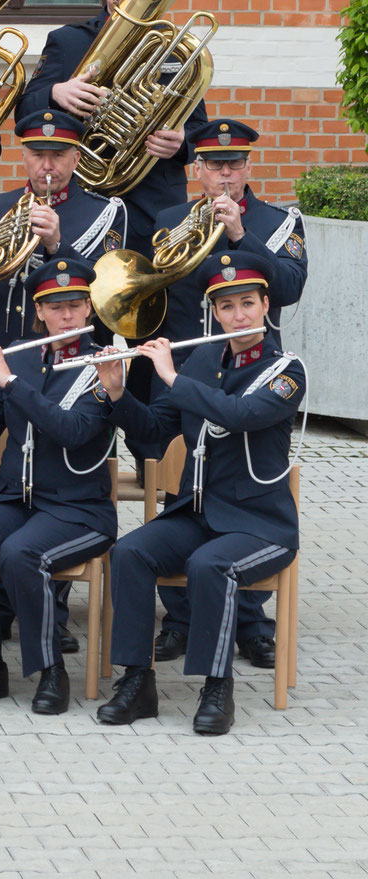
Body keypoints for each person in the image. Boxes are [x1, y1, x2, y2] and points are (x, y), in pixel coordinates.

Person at [95, 250, 303, 736]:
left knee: (209, 565)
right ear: (215, 312)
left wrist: (170, 376)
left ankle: (217, 687)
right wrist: (120, 393)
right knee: (129, 552)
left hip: (260, 523)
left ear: (265, 305)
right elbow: (154, 430)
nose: (239, 315)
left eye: (247, 303)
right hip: (199, 512)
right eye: (227, 306)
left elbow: (239, 416)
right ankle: (137, 681)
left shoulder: (286, 370)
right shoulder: (203, 360)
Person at [144, 119, 309, 668]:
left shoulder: (279, 223)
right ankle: (181, 617)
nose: (225, 174)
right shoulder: (171, 220)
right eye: (214, 165)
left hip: (251, 371)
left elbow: (290, 287)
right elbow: (155, 293)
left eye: (234, 164)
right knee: (186, 485)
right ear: (197, 169)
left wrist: (239, 235)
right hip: (191, 367)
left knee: (247, 489)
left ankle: (251, 621)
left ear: (247, 167)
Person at [0, 256, 117, 715]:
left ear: (89, 309)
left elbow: (72, 431)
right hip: (16, 497)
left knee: (21, 554)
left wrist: (11, 382)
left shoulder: (105, 364)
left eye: (75, 305)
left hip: (79, 508)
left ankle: (51, 670)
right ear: (39, 312)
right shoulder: (18, 355)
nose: (66, 316)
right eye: (55, 307)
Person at [23, 0, 207, 247]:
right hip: (81, 199)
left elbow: (199, 129)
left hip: (155, 201)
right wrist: (55, 93)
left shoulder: (174, 48)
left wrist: (181, 144)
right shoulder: (67, 41)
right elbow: (25, 110)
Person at [0, 108, 127, 360]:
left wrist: (57, 244)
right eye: (37, 155)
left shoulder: (104, 212)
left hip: (71, 353)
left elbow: (104, 291)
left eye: (58, 155)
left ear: (76, 159)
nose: (47, 165)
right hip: (2, 347)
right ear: (23, 157)